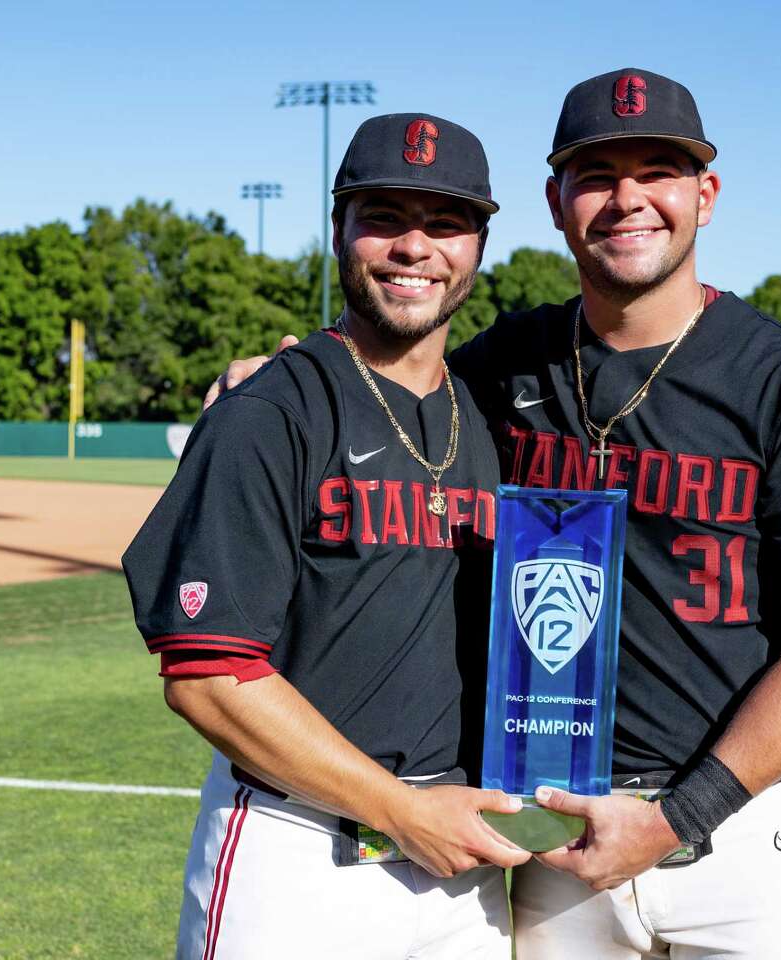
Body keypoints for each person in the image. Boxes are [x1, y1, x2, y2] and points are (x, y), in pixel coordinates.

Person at [208, 69, 781, 959]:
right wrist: (272, 383)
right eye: (596, 173)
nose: (628, 199)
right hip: (553, 834)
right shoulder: (508, 364)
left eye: (658, 168)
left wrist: (677, 818)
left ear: (706, 193)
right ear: (555, 201)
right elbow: (387, 370)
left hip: (747, 837)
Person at [124, 113, 529, 960]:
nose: (414, 247)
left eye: (446, 222)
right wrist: (401, 810)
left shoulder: (494, 416)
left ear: (480, 244)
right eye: (384, 216)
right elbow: (208, 677)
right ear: (339, 227)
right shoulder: (273, 410)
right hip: (298, 851)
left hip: (466, 866)